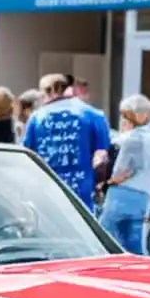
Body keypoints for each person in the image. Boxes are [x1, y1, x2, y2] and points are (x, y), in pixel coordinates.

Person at [22, 73, 110, 211]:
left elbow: (27, 154)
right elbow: (102, 155)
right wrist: (99, 184)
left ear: (45, 92)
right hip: (81, 188)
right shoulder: (94, 115)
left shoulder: (36, 118)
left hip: (47, 188)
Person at [100, 94, 150, 253]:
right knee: (134, 241)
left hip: (122, 194)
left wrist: (109, 181)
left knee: (103, 236)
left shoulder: (132, 139)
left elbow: (122, 170)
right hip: (145, 194)